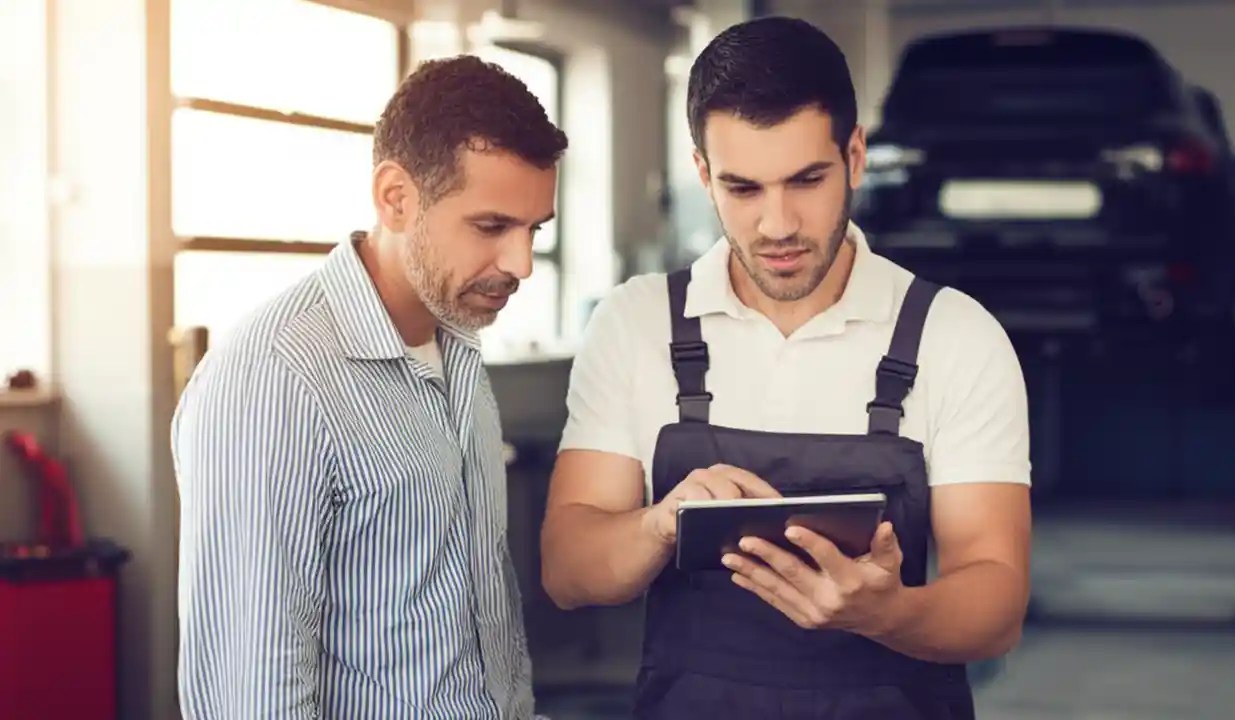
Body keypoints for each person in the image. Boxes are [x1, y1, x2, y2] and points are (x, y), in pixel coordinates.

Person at [540, 16, 1031, 719]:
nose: (777, 225)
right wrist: (658, 524)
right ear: (703, 174)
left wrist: (886, 612)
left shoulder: (954, 337)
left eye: (807, 180)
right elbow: (566, 572)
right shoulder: (636, 324)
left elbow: (998, 602)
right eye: (743, 188)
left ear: (855, 156)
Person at [172, 55, 566, 719]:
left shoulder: (458, 345)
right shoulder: (275, 378)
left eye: (534, 230)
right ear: (395, 198)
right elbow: (252, 692)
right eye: (492, 226)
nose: (521, 263)